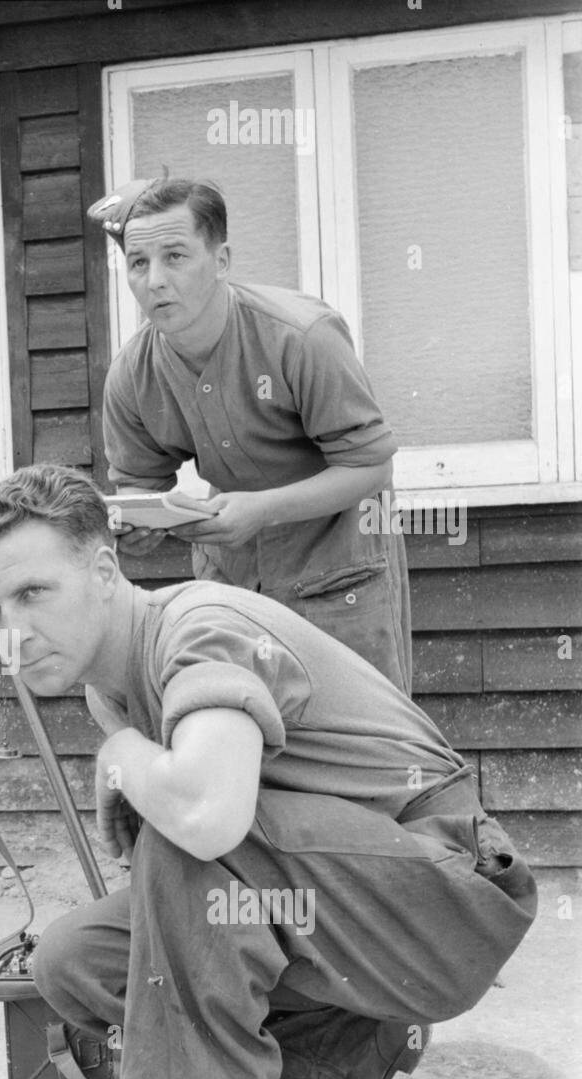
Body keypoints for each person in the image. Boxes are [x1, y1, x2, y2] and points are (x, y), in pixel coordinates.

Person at [0, 463, 535, 1079]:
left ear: (102, 570)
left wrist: (125, 760)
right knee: (71, 960)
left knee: (190, 842)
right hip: (355, 906)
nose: (7, 632)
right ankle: (331, 1070)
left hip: (451, 896)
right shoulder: (109, 682)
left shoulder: (199, 626)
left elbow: (209, 820)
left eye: (33, 594)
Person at [90, 176, 413, 695]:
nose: (154, 281)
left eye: (175, 256)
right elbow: (136, 486)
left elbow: (371, 466)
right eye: (138, 262)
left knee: (367, 745)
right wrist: (141, 524)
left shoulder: (302, 337)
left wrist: (261, 510)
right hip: (231, 587)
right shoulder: (131, 376)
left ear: (221, 261)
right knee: (242, 743)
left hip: (339, 579)